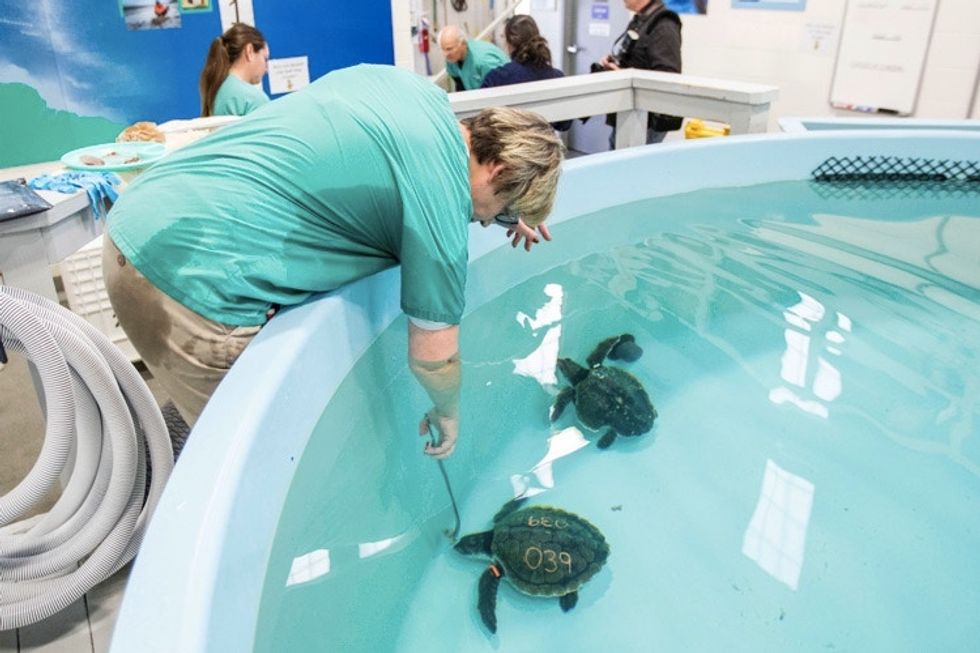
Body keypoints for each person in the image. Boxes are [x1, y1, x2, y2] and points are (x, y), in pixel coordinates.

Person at [102, 64, 563, 460]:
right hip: (183, 286)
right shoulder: (441, 215)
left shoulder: (415, 92)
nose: (489, 222)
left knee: (201, 407)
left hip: (141, 213)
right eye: (503, 209)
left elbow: (406, 176)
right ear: (498, 172)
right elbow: (433, 362)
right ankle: (148, 529)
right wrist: (449, 411)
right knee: (251, 472)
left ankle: (161, 440)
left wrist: (502, 212)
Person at [596, 0, 683, 145]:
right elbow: (637, 58)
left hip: (646, 121)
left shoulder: (664, 25)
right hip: (628, 113)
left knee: (631, 165)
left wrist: (623, 74)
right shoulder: (641, 19)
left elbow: (668, 76)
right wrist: (615, 63)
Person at [480, 14, 571, 132]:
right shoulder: (557, 77)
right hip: (545, 147)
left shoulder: (496, 78)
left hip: (508, 147)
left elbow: (481, 124)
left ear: (509, 43)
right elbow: (564, 125)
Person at [198, 22, 270, 117]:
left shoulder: (217, 89)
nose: (267, 69)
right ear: (250, 51)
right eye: (265, 58)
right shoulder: (253, 99)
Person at [439, 25, 509, 91]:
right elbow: (460, 87)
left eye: (449, 49)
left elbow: (498, 88)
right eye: (443, 49)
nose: (445, 54)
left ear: (463, 43)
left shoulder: (483, 59)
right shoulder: (451, 59)